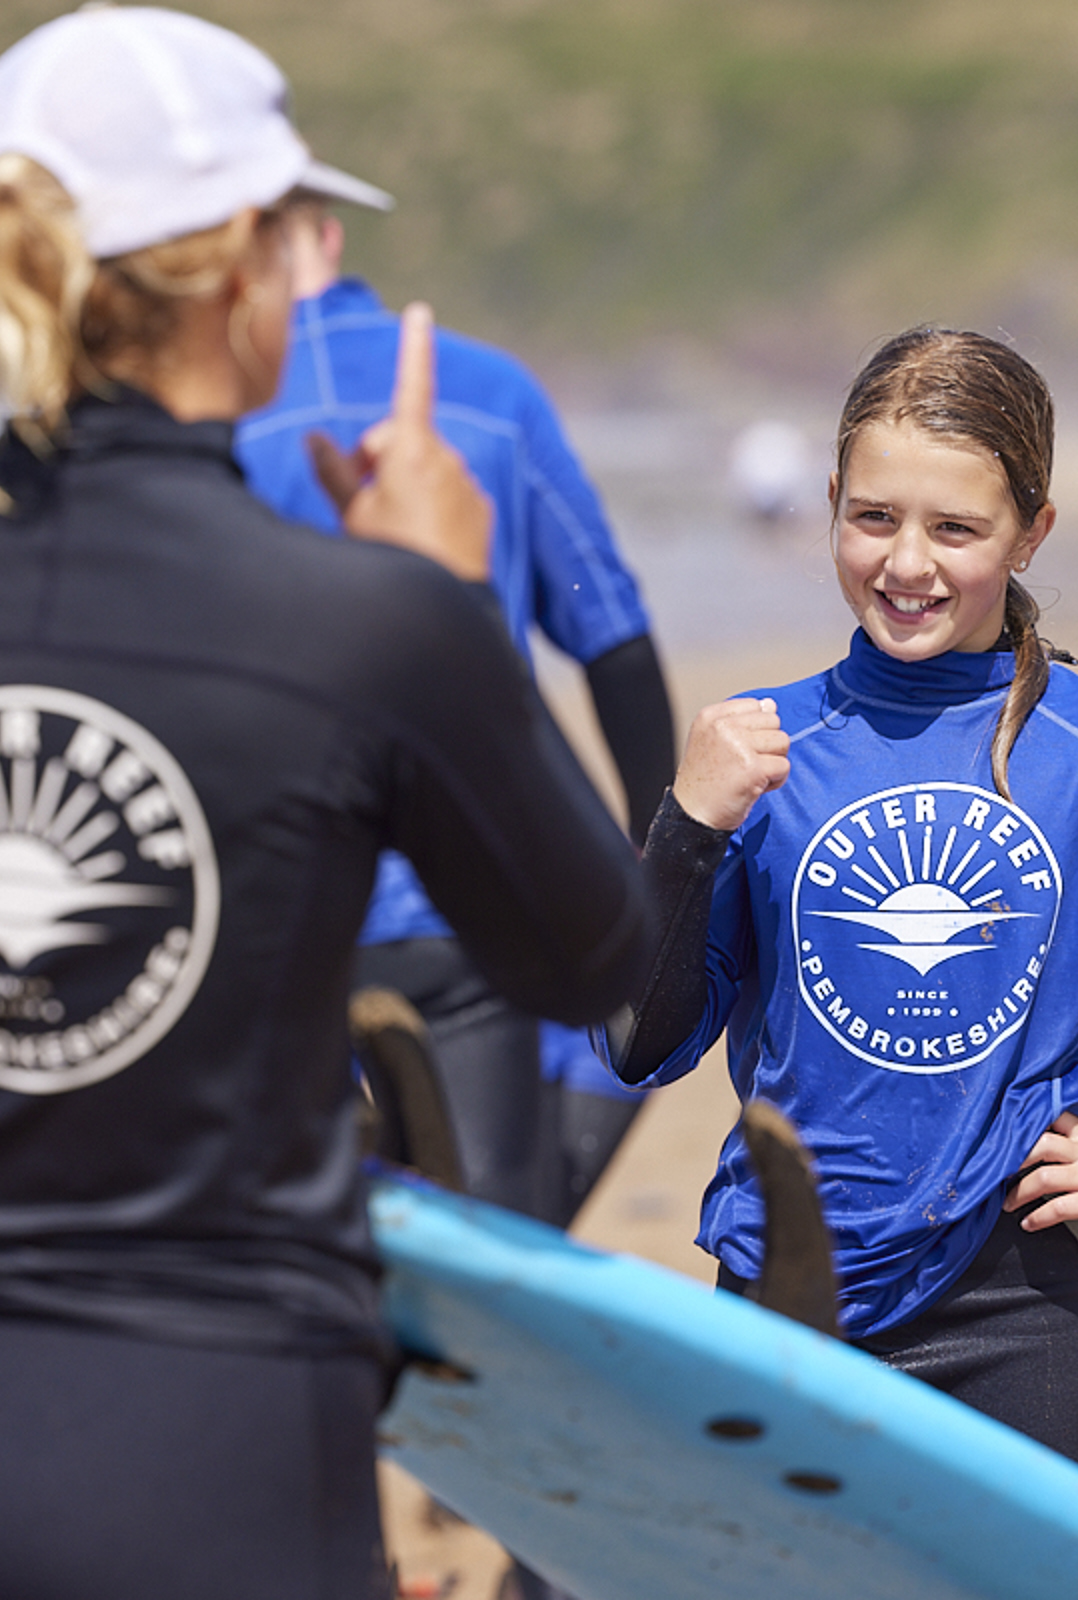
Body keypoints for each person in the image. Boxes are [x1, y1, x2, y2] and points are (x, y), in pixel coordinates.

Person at [0, 10, 649, 1597]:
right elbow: (596, 961)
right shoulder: (359, 622)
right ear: (248, 276)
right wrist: (447, 606)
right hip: (220, 1445)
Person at [602, 325, 1078, 1471]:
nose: (907, 563)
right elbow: (637, 1042)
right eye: (873, 518)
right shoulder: (759, 748)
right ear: (829, 506)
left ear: (1031, 532)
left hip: (1011, 1319)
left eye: (954, 528)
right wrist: (684, 828)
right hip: (778, 1287)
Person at [235, 200, 674, 1230]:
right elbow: (610, 638)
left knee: (307, 1245)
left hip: (276, 909)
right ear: (329, 232)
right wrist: (657, 871)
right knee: (503, 1246)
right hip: (469, 902)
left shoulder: (200, 411)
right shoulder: (488, 390)